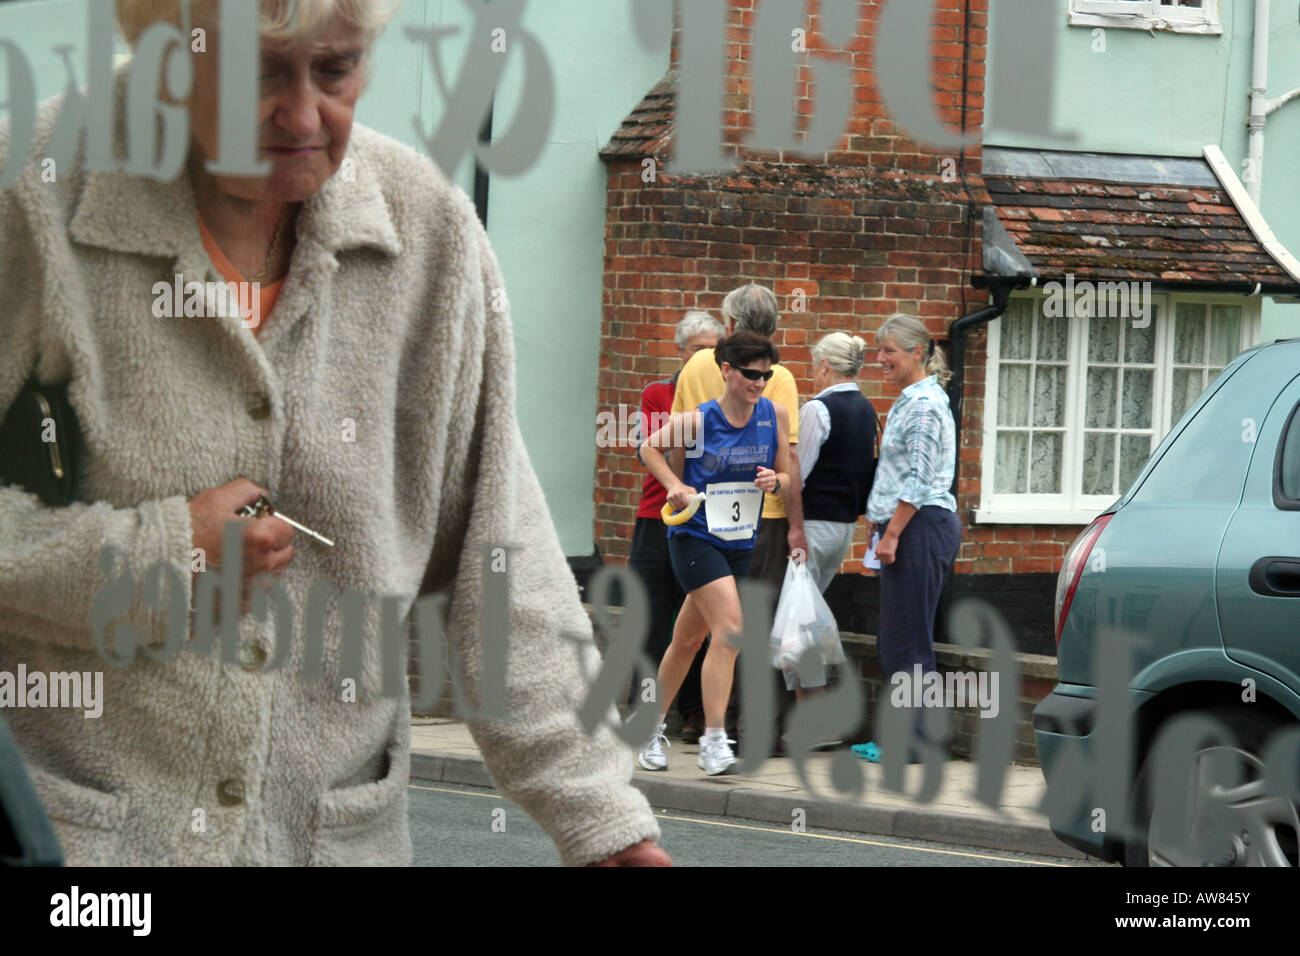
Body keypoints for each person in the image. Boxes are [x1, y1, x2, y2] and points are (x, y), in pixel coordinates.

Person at [0, 0, 668, 867]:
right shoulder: (31, 197)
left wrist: (601, 820)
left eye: (335, 69)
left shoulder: (428, 233)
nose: (305, 115)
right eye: (260, 74)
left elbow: (501, 564)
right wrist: (157, 554)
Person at [636, 332, 792, 775]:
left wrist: (775, 483)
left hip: (740, 541)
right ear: (727, 371)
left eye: (766, 374)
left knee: (687, 641)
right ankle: (715, 741)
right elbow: (648, 448)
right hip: (696, 538)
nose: (759, 382)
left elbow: (788, 475)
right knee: (731, 630)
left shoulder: (774, 416)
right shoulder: (699, 420)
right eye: (750, 373)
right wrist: (675, 484)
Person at [670, 283, 805, 750]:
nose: (758, 383)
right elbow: (790, 458)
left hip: (728, 517)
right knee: (740, 626)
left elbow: (675, 448)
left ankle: (695, 725)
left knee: (697, 632)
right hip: (745, 519)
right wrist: (795, 525)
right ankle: (735, 732)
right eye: (751, 374)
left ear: (729, 324)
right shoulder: (781, 376)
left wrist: (677, 492)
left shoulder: (694, 369)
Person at [850, 314, 961, 764]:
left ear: (918, 353)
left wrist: (891, 533)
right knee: (897, 637)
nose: (880, 359)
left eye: (889, 351)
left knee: (908, 638)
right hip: (909, 526)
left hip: (919, 526)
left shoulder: (923, 405)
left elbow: (918, 479)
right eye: (879, 351)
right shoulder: (913, 399)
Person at [628, 312, 724, 743]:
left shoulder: (728, 397)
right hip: (657, 516)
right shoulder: (657, 394)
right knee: (650, 620)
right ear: (680, 351)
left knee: (698, 627)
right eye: (697, 350)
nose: (703, 357)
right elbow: (650, 452)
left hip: (707, 523)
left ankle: (694, 716)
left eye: (711, 350)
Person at [790, 332, 878, 700]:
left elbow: (799, 473)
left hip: (812, 524)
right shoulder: (867, 408)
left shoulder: (818, 409)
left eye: (814, 366)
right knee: (804, 616)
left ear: (825, 366)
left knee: (799, 620)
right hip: (844, 529)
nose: (813, 374)